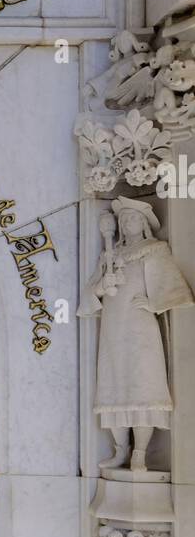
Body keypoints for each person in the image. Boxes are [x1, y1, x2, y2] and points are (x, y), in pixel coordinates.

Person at [78, 197, 193, 470]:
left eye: (133, 218)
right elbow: (90, 293)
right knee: (114, 384)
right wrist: (103, 285)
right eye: (124, 219)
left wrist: (154, 304)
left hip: (141, 328)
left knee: (143, 383)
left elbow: (174, 288)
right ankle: (121, 450)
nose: (128, 223)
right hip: (113, 329)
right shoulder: (110, 256)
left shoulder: (154, 249)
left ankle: (139, 452)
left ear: (143, 223)